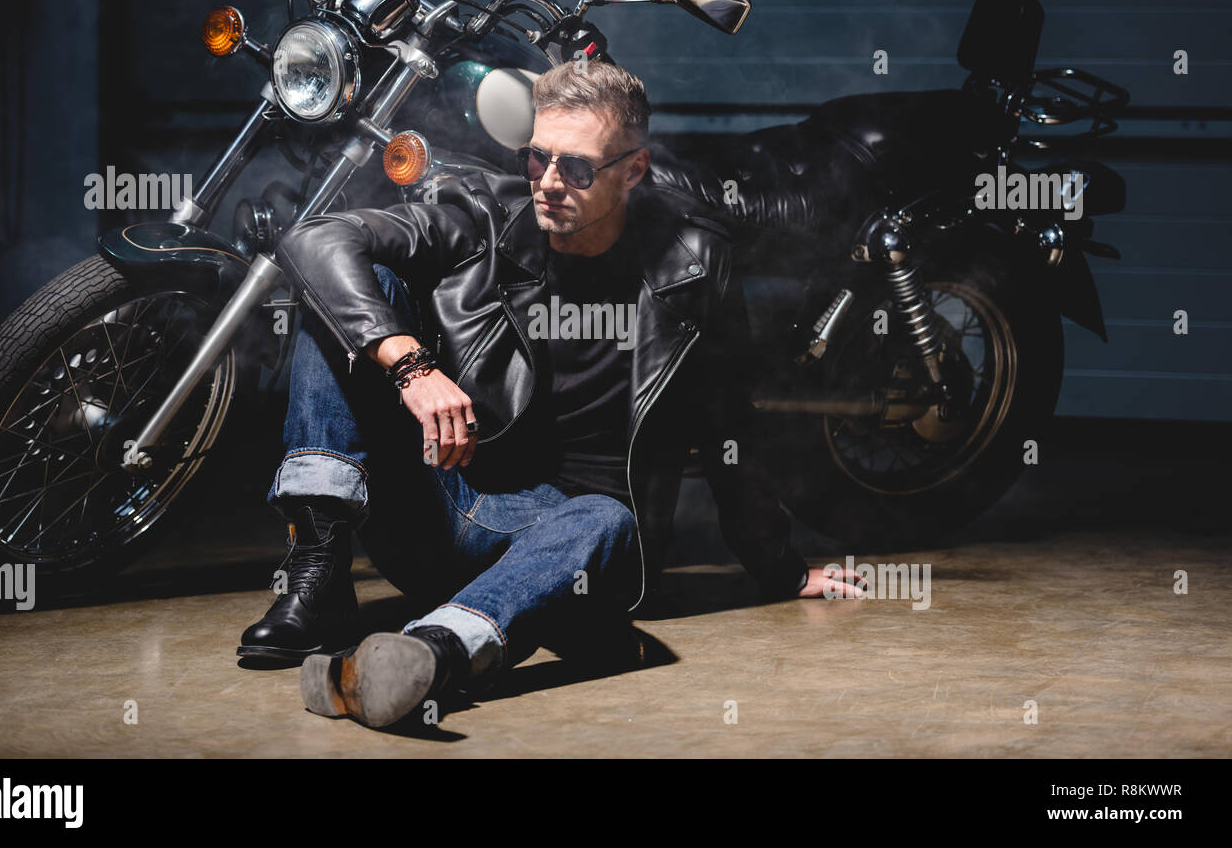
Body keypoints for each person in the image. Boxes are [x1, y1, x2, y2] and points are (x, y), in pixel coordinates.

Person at [238, 59, 864, 729]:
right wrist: (411, 367)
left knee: (603, 519)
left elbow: (729, 425)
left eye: (579, 167)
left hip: (580, 554)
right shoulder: (484, 215)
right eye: (539, 159)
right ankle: (318, 572)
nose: (550, 183)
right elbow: (314, 239)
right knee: (355, 296)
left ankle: (430, 652)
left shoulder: (693, 262)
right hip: (450, 508)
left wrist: (782, 568)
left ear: (634, 170)